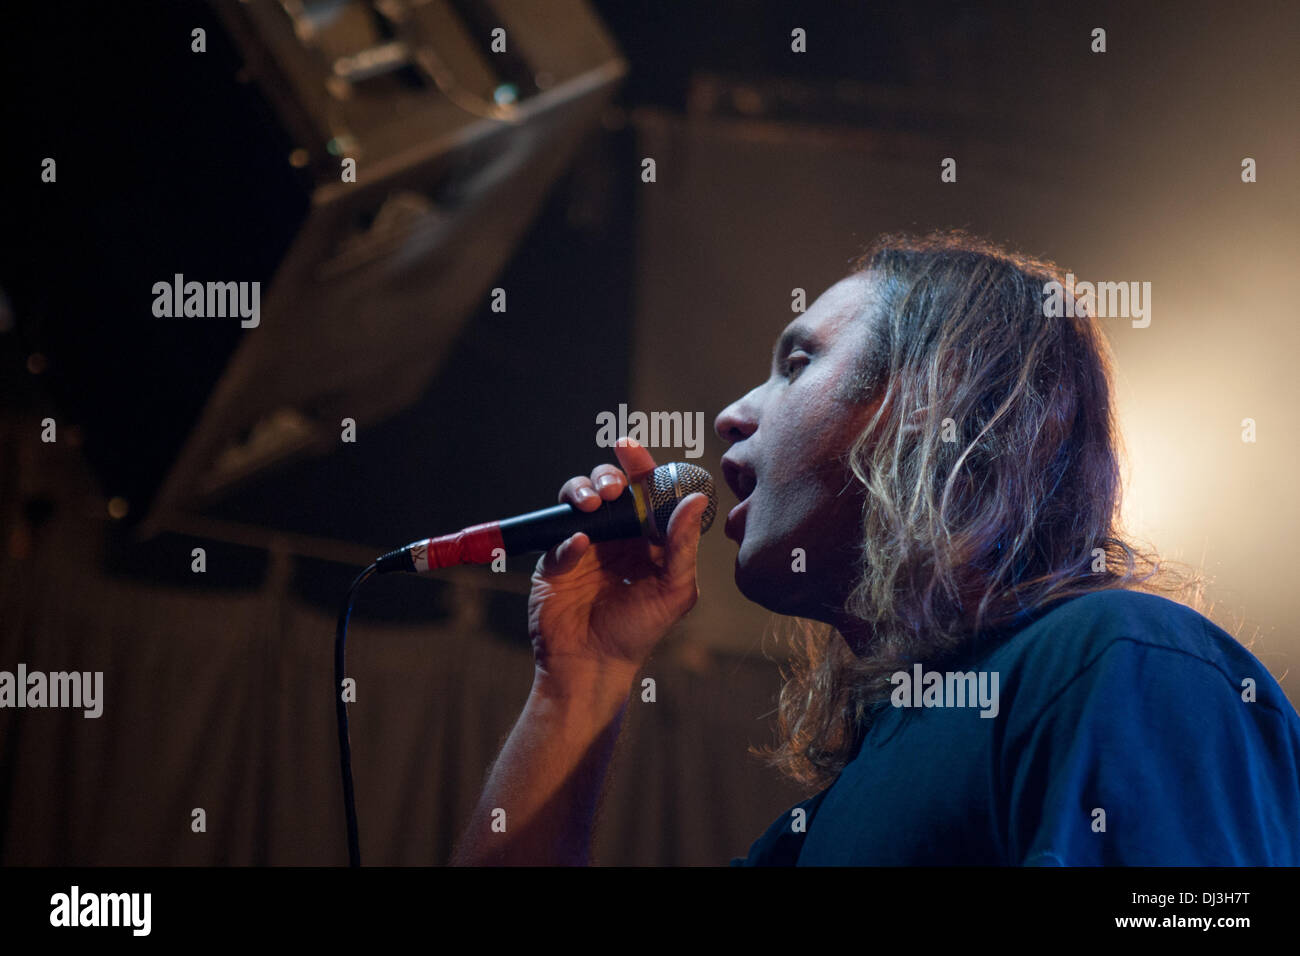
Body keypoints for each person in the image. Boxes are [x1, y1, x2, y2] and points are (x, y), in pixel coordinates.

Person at [449, 232, 1300, 866]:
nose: (732, 415)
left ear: (934, 398)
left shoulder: (1120, 661)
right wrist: (582, 678)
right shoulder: (814, 829)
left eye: (796, 362)